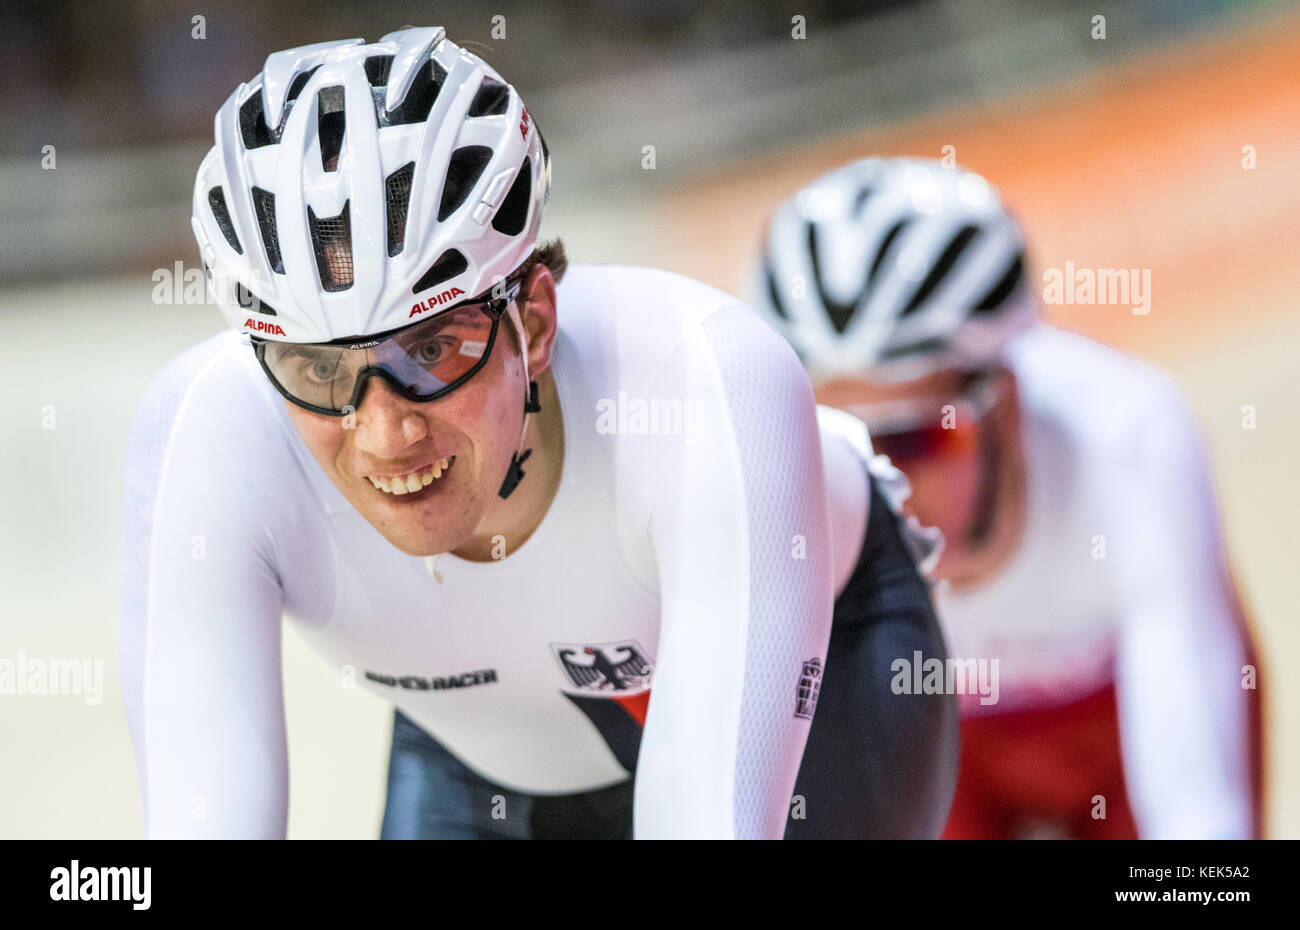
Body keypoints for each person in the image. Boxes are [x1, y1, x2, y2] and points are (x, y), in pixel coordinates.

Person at [119, 28, 958, 840]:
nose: (385, 430)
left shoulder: (707, 379)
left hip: (831, 683)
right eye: (317, 369)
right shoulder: (209, 429)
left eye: (431, 349)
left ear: (537, 320)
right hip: (483, 753)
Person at [754, 156, 1264, 839]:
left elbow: (1197, 812)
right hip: (941, 737)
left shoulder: (1127, 438)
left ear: (1007, 405)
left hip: (1117, 725)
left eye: (914, 439)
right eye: (837, 447)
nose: (880, 483)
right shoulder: (774, 495)